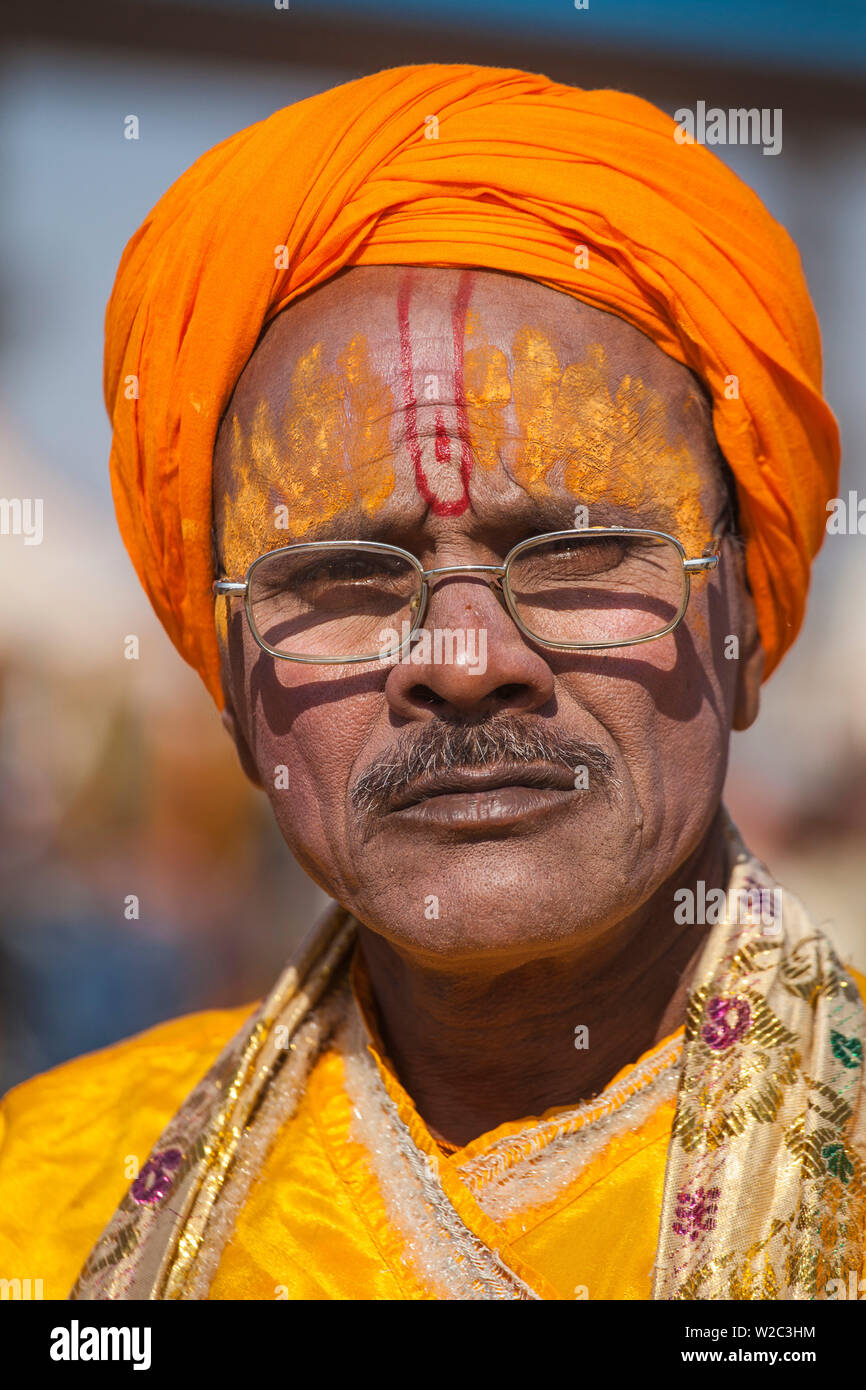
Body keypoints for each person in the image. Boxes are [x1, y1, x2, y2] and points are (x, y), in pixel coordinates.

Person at [0, 64, 863, 1302]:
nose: (464, 663)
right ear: (232, 682)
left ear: (740, 620)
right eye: (341, 576)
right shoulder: (40, 1199)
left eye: (571, 551)